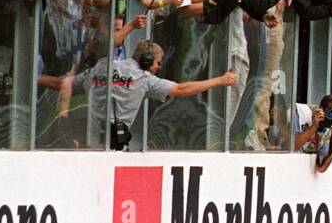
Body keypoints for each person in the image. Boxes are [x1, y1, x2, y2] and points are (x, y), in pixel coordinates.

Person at [63, 40, 236, 149]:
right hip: (112, 145)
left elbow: (63, 84)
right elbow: (183, 89)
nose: (159, 67)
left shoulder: (103, 68)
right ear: (147, 61)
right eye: (158, 63)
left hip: (85, 139)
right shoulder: (144, 79)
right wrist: (220, 80)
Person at [291, 93, 332, 173]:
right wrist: (314, 127)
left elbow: (321, 168)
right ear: (321, 109)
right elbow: (293, 146)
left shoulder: (330, 129)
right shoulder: (300, 113)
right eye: (331, 112)